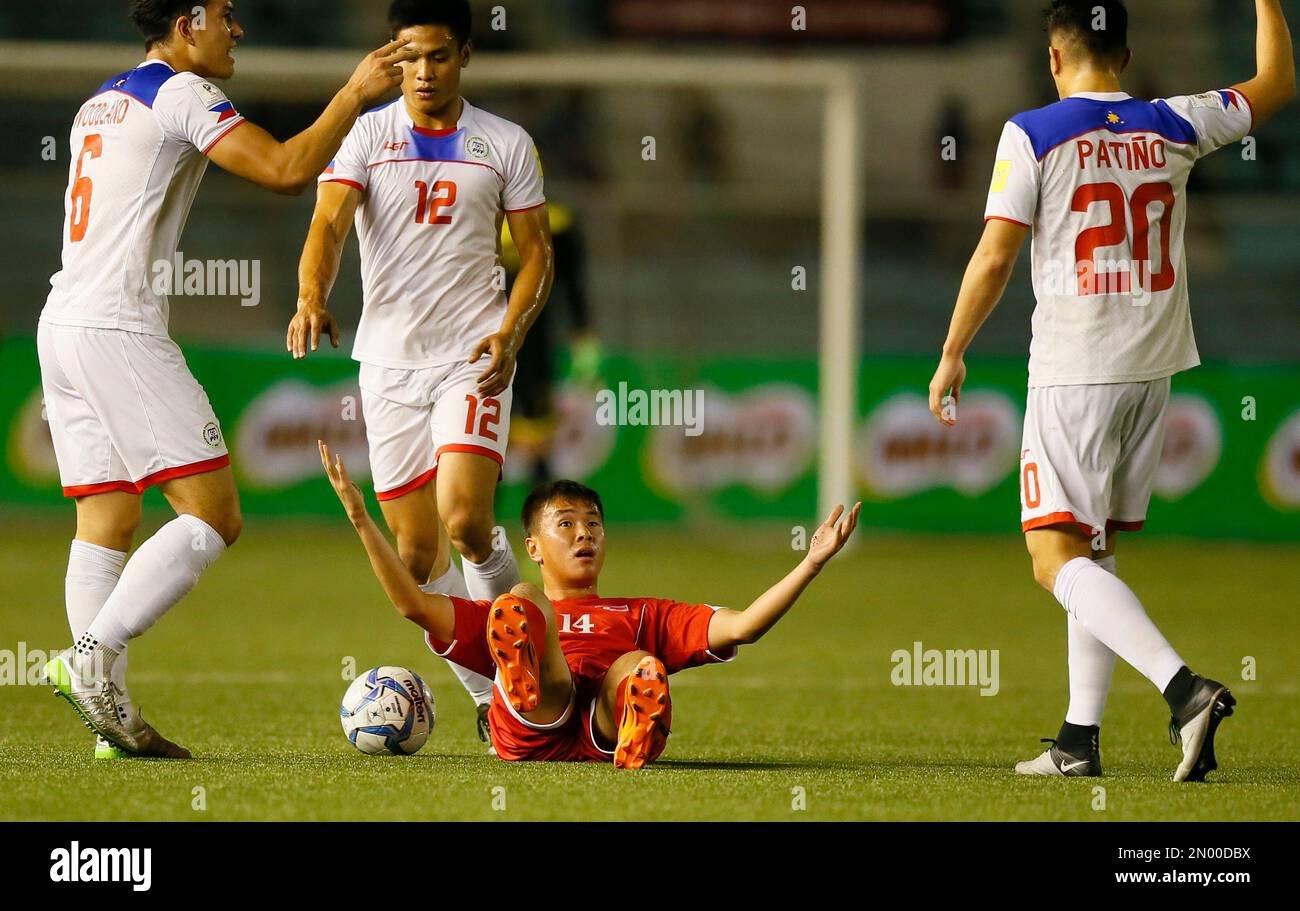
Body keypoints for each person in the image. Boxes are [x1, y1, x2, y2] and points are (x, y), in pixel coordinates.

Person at [927, 0, 1294, 780]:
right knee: (1094, 547)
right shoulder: (1177, 122)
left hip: (1076, 366)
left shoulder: (1031, 133)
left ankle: (1186, 690)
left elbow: (994, 258)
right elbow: (1276, 80)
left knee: (1050, 554)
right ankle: (1077, 740)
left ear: (1054, 59)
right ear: (1125, 58)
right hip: (1155, 364)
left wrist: (953, 350)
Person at [39, 0, 417, 758]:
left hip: (62, 324)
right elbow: (284, 170)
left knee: (106, 522)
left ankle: (108, 716)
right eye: (225, 15)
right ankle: (91, 660)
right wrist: (352, 93)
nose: (236, 29)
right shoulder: (179, 91)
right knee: (214, 515)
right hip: (117, 328)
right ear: (186, 24)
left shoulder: (99, 102)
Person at [288, 0, 555, 745]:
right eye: (408, 56)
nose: (424, 71)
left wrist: (510, 333)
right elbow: (328, 225)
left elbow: (536, 253)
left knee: (468, 522)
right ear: (392, 58)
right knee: (414, 555)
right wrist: (311, 295)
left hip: (472, 356)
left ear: (465, 55)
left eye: (438, 55)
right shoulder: (366, 135)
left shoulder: (504, 142)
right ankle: (490, 693)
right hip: (389, 365)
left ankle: (528, 671)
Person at [318, 440, 860, 767]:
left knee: (638, 665)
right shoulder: (508, 614)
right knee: (524, 601)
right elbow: (414, 605)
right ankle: (523, 678)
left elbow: (741, 626)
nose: (584, 535)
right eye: (567, 525)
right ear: (533, 546)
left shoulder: (642, 614)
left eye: (594, 524)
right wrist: (364, 522)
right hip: (534, 721)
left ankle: (631, 728)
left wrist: (810, 564)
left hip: (600, 728)